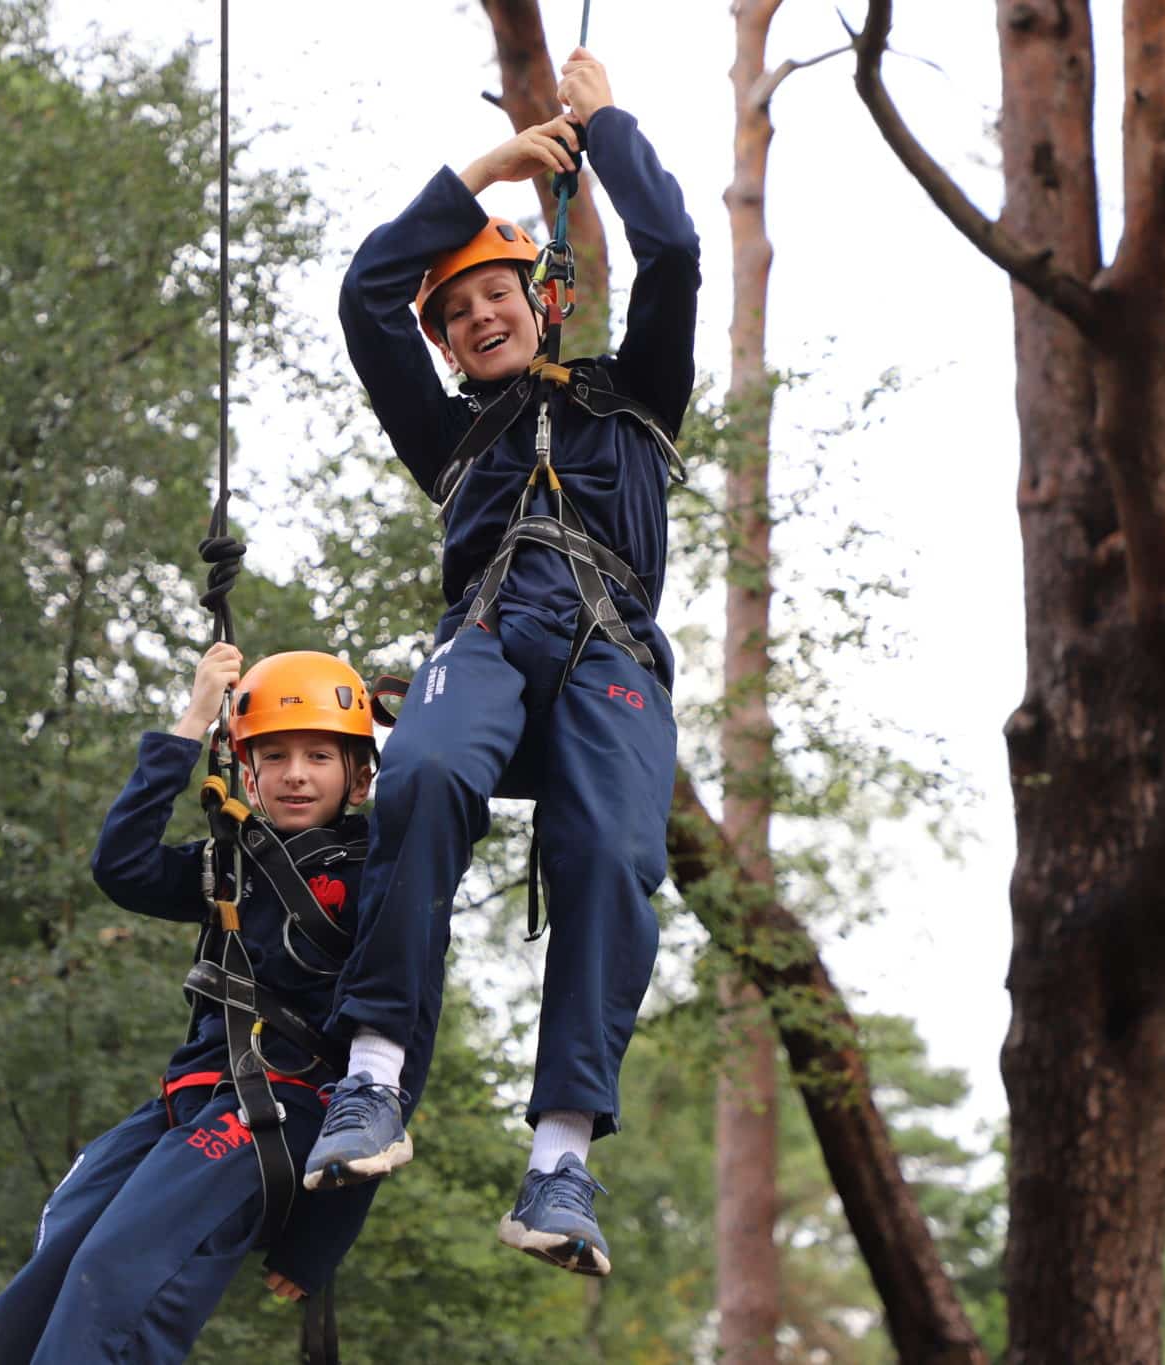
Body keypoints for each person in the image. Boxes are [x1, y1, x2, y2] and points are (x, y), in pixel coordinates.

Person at [303, 48, 699, 1280]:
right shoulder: (446, 435)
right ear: (444, 342)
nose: (479, 317)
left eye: (496, 296)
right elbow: (366, 292)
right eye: (455, 312)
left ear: (540, 299)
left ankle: (561, 1158)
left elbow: (675, 250)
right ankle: (372, 1080)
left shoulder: (632, 397)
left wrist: (604, 123)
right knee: (415, 772)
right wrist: (489, 168)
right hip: (482, 639)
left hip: (608, 655)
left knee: (614, 855)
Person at [0, 643, 382, 1363]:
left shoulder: (378, 877)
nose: (296, 774)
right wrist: (191, 723)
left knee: (114, 1283)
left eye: (319, 755)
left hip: (280, 1105)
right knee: (29, 1297)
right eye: (274, 757)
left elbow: (396, 1053)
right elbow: (121, 865)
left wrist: (322, 1237)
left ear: (359, 777)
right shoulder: (232, 860)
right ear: (247, 771)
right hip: (183, 1102)